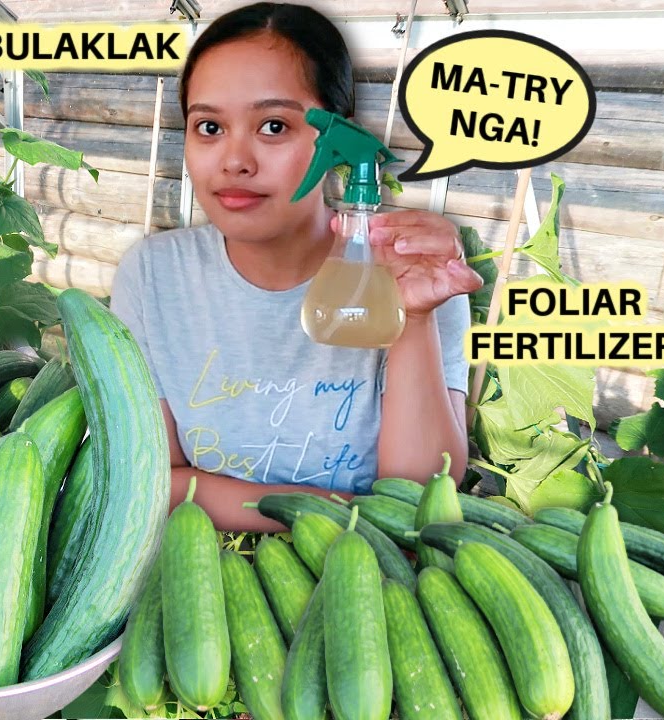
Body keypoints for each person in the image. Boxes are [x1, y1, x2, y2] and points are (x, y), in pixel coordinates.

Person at [110, 3, 483, 532]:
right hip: (205, 560)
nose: (235, 159)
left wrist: (413, 320)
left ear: (336, 142)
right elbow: (154, 477)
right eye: (209, 126)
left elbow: (417, 494)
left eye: (274, 125)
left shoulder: (411, 270)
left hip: (371, 566)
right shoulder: (153, 276)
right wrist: (332, 513)